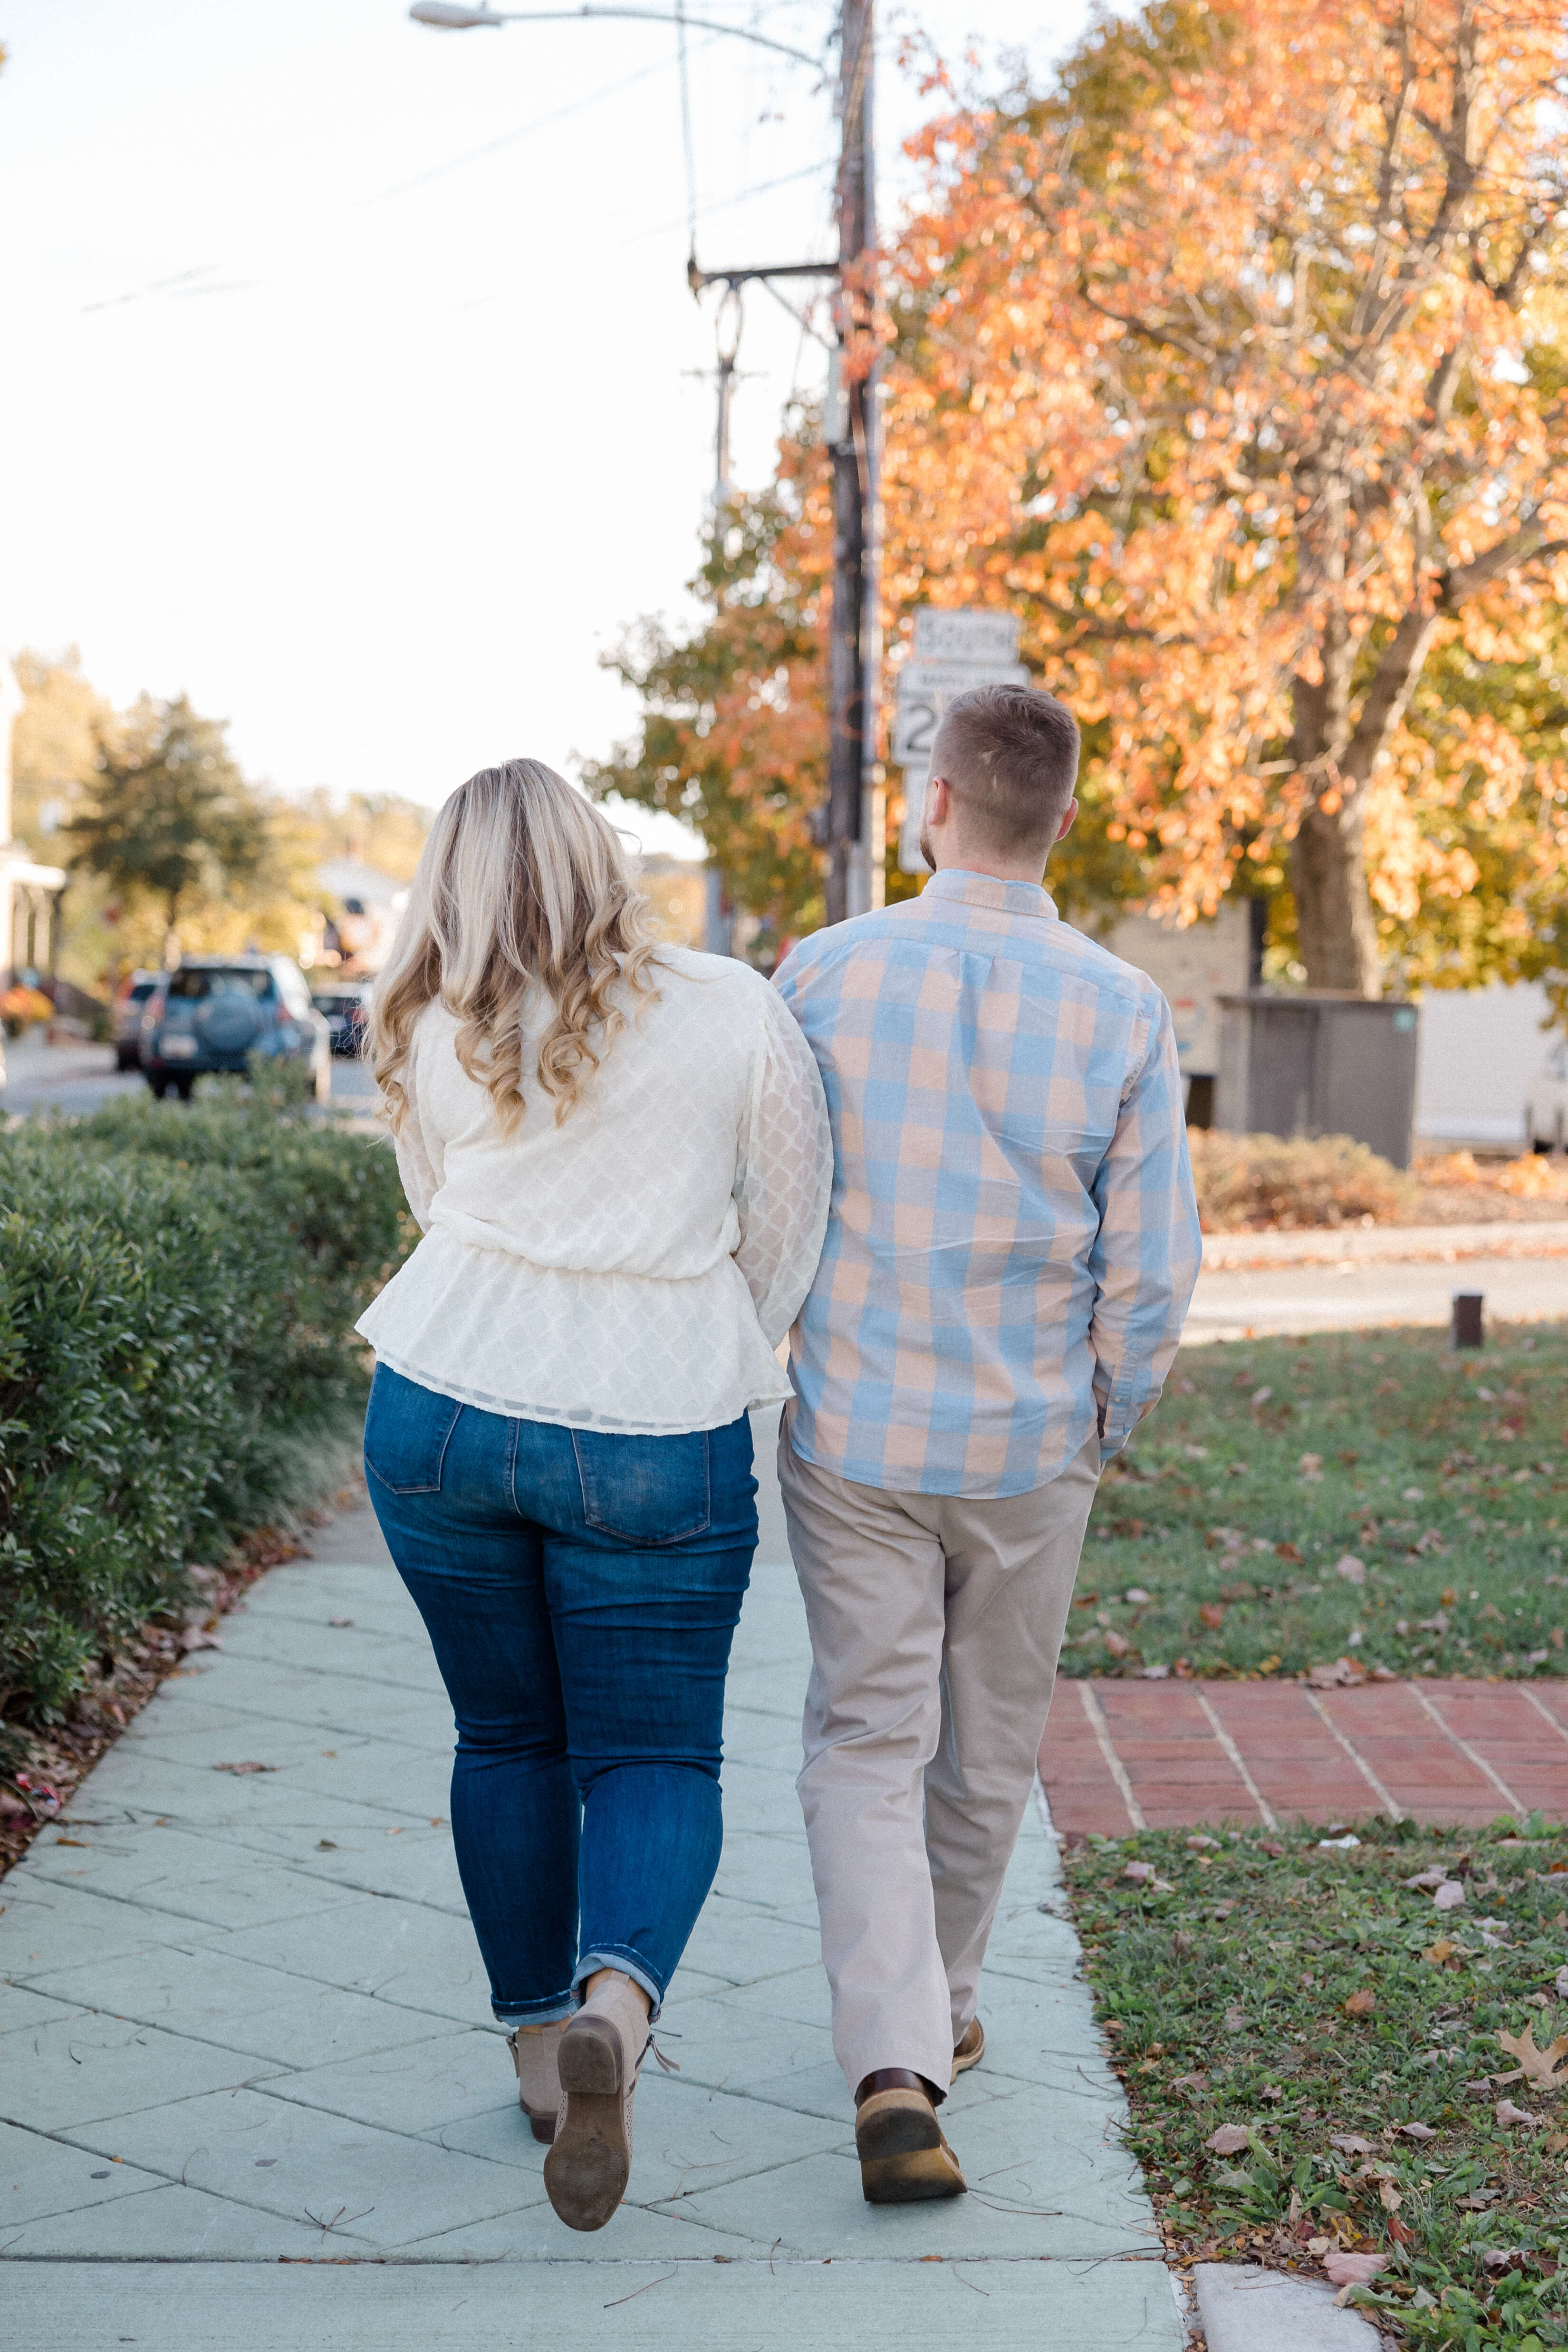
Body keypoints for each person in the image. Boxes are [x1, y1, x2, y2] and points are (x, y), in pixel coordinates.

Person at [358, 759, 831, 2232]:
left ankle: (533, 2060)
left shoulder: (423, 1013)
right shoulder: (729, 1003)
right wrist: (715, 1333)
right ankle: (612, 2013)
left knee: (504, 1734)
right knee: (653, 1756)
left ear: (449, 879)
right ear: (601, 855)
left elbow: (435, 1204)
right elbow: (788, 1217)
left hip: (438, 1399)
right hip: (652, 1420)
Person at [773, 683, 1201, 2204]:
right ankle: (937, 2012)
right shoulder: (1123, 1006)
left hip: (856, 1431)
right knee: (987, 1746)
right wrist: (1102, 1414)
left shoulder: (820, 972)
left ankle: (897, 2056)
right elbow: (1151, 1270)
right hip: (1029, 1440)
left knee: (865, 1739)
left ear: (935, 798)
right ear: (1062, 818)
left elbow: (771, 1195)